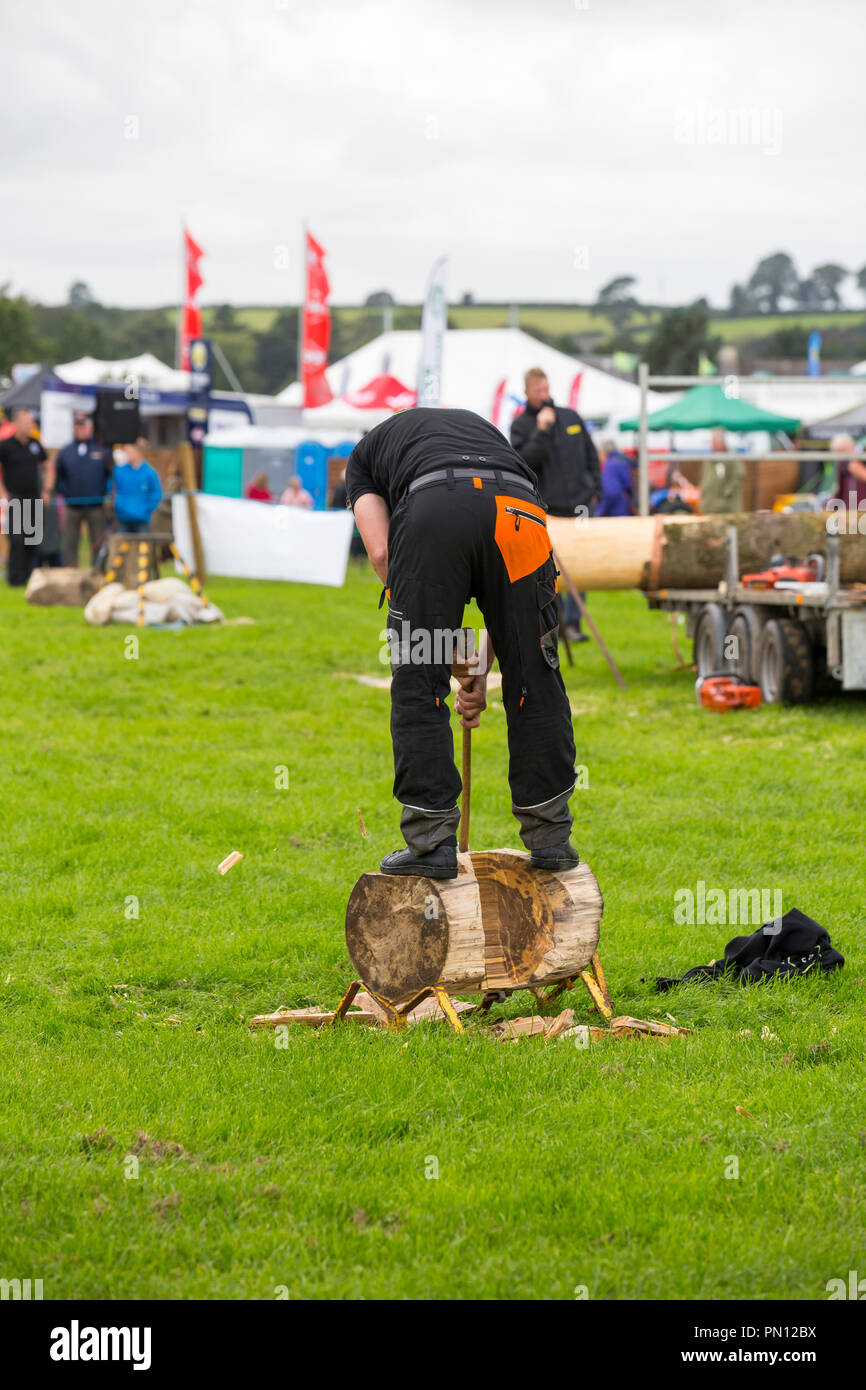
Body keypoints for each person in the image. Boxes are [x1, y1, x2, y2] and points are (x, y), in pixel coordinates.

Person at [346, 406, 578, 881]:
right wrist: (478, 667)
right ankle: (551, 836)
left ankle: (430, 841)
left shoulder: (365, 459)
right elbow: (513, 613)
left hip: (434, 510)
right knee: (536, 671)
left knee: (418, 676)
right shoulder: (489, 435)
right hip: (519, 511)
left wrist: (446, 660)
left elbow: (383, 552)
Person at [510, 367, 600, 642]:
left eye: (546, 389)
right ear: (527, 393)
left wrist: (596, 488)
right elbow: (524, 464)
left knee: (580, 565)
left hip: (581, 506)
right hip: (547, 510)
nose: (544, 395)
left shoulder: (570, 418)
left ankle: (573, 625)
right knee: (549, 568)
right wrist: (541, 430)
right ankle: (554, 623)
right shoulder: (522, 426)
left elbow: (590, 454)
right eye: (538, 391)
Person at [0, 407, 54, 586]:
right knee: (16, 539)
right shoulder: (5, 446)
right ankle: (15, 578)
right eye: (25, 422)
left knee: (33, 539)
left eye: (30, 422)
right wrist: (3, 492)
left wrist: (46, 490)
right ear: (15, 424)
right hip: (15, 498)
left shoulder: (35, 444)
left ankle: (29, 576)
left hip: (34, 497)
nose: (28, 426)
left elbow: (48, 466)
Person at [54, 410, 112, 566]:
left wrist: (106, 495)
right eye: (77, 426)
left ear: (91, 428)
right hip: (72, 506)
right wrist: (65, 494)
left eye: (83, 426)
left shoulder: (102, 450)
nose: (80, 429)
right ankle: (71, 575)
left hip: (96, 506)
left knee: (98, 542)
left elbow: (110, 475)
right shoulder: (66, 452)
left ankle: (98, 573)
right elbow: (58, 475)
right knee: (69, 544)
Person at [111, 437, 162, 532]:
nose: (126, 453)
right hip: (123, 520)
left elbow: (156, 494)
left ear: (138, 452)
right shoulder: (119, 470)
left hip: (142, 520)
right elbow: (113, 489)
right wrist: (118, 505)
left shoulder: (150, 473)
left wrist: (146, 509)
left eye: (129, 450)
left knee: (143, 545)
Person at [596, 439, 636, 516]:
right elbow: (627, 482)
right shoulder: (621, 460)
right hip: (622, 503)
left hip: (615, 505)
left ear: (604, 453)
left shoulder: (608, 465)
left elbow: (610, 491)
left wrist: (601, 510)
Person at [831, 433, 866, 510]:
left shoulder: (860, 458)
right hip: (849, 511)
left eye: (842, 451)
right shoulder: (843, 464)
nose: (839, 456)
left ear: (851, 446)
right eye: (837, 452)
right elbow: (840, 490)